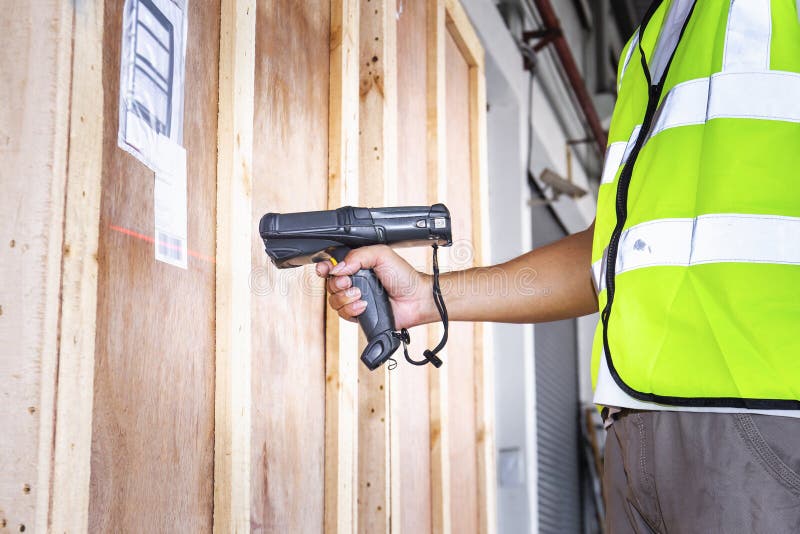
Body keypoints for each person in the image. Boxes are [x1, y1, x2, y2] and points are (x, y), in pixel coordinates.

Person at [317, 0, 800, 532]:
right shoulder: (657, 37)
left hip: (767, 427)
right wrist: (428, 295)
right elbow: (611, 254)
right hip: (634, 434)